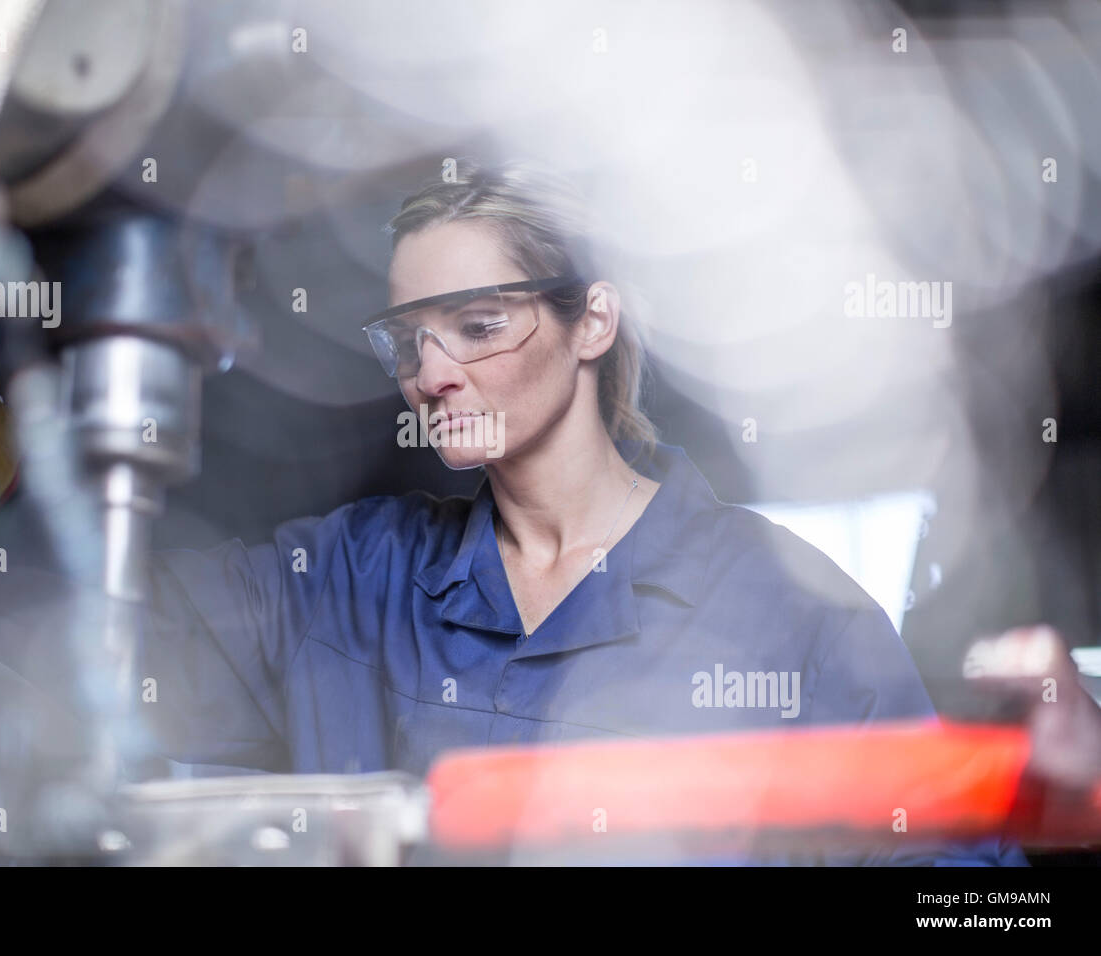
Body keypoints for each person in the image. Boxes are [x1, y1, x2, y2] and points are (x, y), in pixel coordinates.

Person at [131, 159, 1024, 864]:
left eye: (478, 325)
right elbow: (81, 651)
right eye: (409, 341)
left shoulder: (792, 616)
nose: (431, 374)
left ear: (592, 322)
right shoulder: (343, 580)